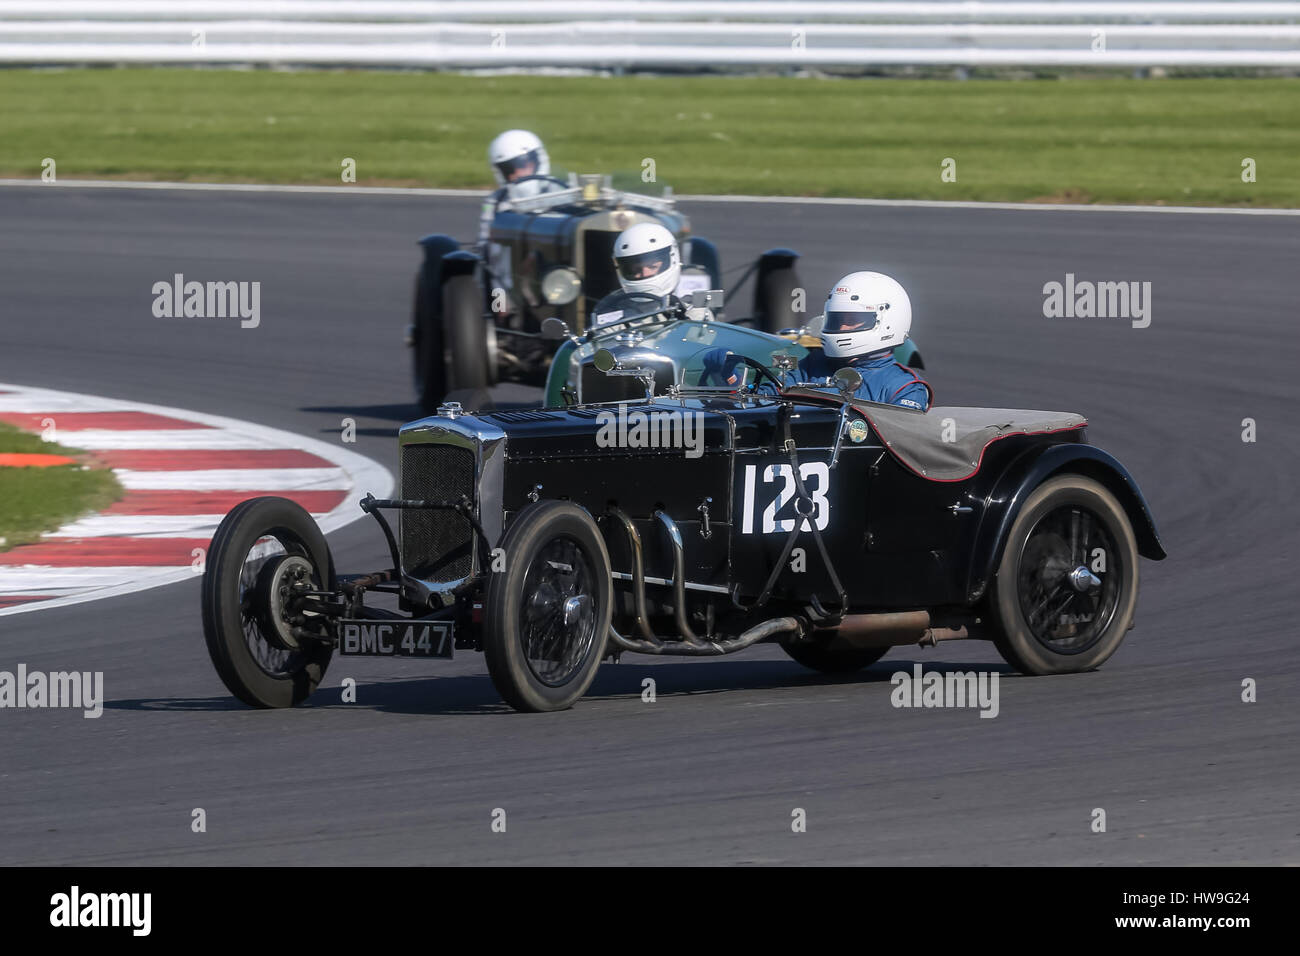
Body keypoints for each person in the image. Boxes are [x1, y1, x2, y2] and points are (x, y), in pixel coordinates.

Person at [702, 271, 931, 410]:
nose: (841, 328)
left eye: (851, 320)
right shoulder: (810, 366)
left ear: (887, 321)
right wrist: (727, 379)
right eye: (836, 320)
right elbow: (760, 405)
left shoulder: (905, 388)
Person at [590, 222, 711, 327]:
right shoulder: (612, 317)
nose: (644, 274)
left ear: (672, 258)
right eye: (635, 270)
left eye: (652, 267)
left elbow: (704, 348)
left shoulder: (694, 312)